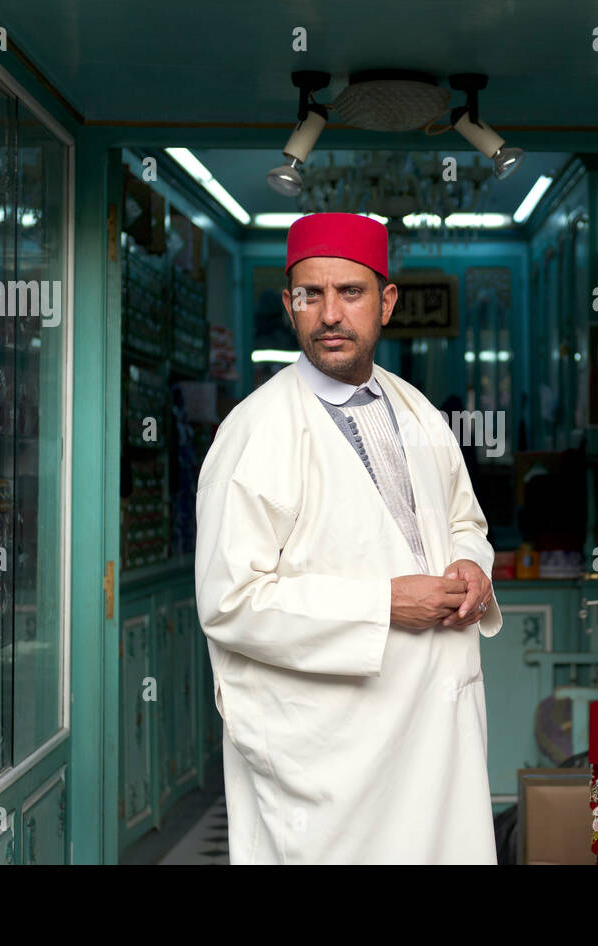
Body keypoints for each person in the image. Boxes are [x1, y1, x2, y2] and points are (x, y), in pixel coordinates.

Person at [194, 212, 502, 864]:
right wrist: (383, 603)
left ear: (386, 301)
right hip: (333, 762)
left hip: (437, 731)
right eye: (311, 294)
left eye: (351, 292)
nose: (329, 313)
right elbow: (230, 602)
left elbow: (463, 520)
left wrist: (471, 564)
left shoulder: (417, 410)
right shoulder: (257, 430)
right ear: (289, 304)